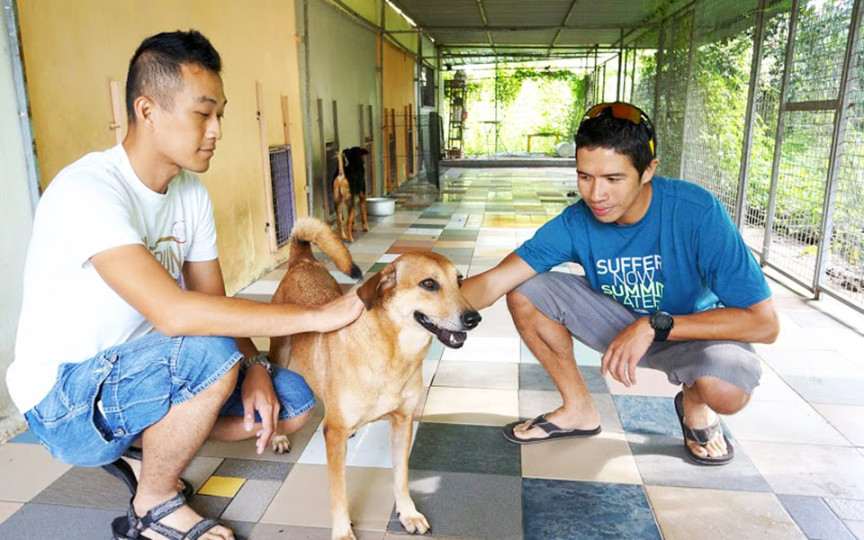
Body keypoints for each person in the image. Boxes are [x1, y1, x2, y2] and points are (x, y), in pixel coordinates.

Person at [6, 30, 364, 540]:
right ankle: (153, 504)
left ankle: (142, 447)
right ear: (147, 110)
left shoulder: (189, 192)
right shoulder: (87, 190)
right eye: (203, 114)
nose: (217, 129)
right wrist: (317, 315)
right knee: (208, 351)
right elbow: (179, 313)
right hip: (63, 399)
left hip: (140, 374)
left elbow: (213, 301)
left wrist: (259, 365)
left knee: (293, 403)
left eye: (221, 114)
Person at [462, 101, 779, 466]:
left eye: (613, 179)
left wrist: (653, 325)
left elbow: (765, 323)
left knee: (727, 391)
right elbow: (494, 282)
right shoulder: (576, 221)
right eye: (585, 176)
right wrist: (408, 305)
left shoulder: (697, 212)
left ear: (648, 171)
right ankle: (578, 409)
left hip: (693, 333)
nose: (596, 195)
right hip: (616, 324)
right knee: (524, 291)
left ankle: (695, 400)